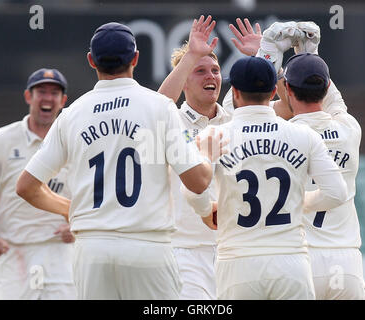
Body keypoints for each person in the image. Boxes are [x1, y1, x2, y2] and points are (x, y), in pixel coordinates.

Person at [16, 22, 216, 300]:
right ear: (135, 58)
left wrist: (69, 208)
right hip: (147, 247)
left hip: (91, 250)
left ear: (90, 60)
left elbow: (26, 186)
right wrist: (205, 155)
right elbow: (197, 181)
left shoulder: (71, 115)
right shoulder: (158, 107)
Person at [183, 56, 349, 300]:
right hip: (291, 262)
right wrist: (299, 202)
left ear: (235, 93)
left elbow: (193, 191)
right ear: (273, 92)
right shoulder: (303, 134)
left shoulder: (214, 135)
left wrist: (207, 210)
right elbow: (337, 193)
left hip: (237, 263)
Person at [230, 20, 365, 299]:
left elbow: (244, 112)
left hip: (301, 259)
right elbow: (331, 98)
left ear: (287, 91)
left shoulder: (286, 134)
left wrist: (267, 56)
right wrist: (310, 52)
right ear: (327, 85)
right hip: (348, 262)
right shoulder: (350, 128)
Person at [0, 68, 76, 300]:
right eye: (41, 92)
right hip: (14, 253)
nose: (47, 98)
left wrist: (77, 227)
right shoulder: (2, 140)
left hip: (61, 253)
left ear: (63, 100)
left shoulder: (73, 141)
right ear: (28, 97)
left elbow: (92, 195)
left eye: (54, 93)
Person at [157, 15, 230, 300]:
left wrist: (263, 59)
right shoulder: (170, 121)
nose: (211, 76)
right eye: (200, 71)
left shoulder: (235, 120)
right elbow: (158, 106)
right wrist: (190, 56)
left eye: (215, 70)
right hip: (183, 251)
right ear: (184, 81)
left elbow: (278, 108)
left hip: (231, 248)